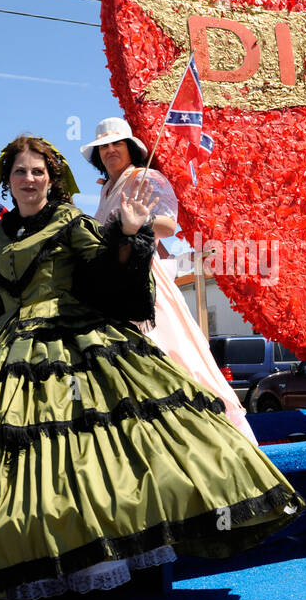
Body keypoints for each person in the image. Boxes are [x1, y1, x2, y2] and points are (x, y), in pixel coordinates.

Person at [0, 135, 304, 600]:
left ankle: (111, 567)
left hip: (78, 339)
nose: (29, 180)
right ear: (6, 182)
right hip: (13, 349)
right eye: (19, 173)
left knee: (105, 453)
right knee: (8, 460)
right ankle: (31, 568)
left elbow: (106, 280)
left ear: (52, 179)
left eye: (37, 172)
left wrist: (129, 236)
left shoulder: (71, 221)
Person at [83, 117, 256, 442]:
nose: (108, 151)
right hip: (112, 286)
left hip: (144, 279)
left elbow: (168, 225)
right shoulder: (107, 188)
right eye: (102, 147)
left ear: (130, 147)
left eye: (115, 144)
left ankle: (207, 434)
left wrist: (134, 222)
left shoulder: (145, 177)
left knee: (169, 351)